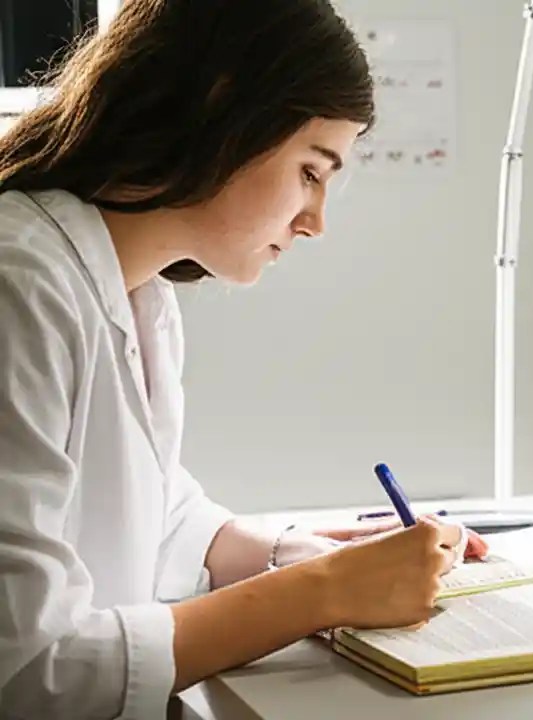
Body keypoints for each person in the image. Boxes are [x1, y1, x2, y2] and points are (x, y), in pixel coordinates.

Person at [0, 2, 488, 717]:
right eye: (311, 172)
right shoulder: (20, 286)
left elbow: (154, 518)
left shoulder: (137, 291)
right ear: (223, 104)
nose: (316, 220)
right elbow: (28, 668)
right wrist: (324, 593)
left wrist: (307, 551)